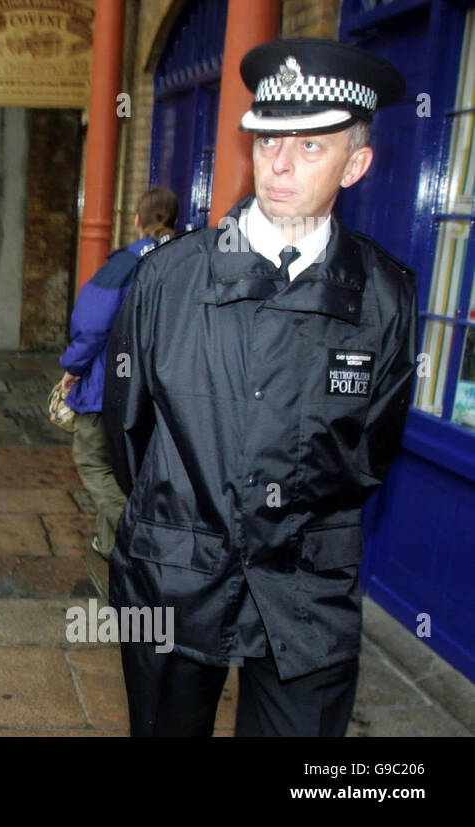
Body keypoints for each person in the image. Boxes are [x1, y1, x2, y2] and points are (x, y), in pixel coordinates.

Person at [104, 39, 417, 737]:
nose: (279, 163)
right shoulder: (170, 277)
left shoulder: (385, 295)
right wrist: (187, 514)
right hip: (175, 572)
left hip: (306, 586)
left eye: (311, 145)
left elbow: (370, 453)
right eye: (269, 136)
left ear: (357, 163)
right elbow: (129, 433)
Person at [59, 187, 178, 559]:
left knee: (93, 462)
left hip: (108, 388)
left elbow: (91, 323)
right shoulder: (187, 260)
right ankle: (109, 544)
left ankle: (139, 539)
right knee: (127, 467)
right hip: (159, 390)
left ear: (138, 220)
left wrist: (73, 368)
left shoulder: (125, 263)